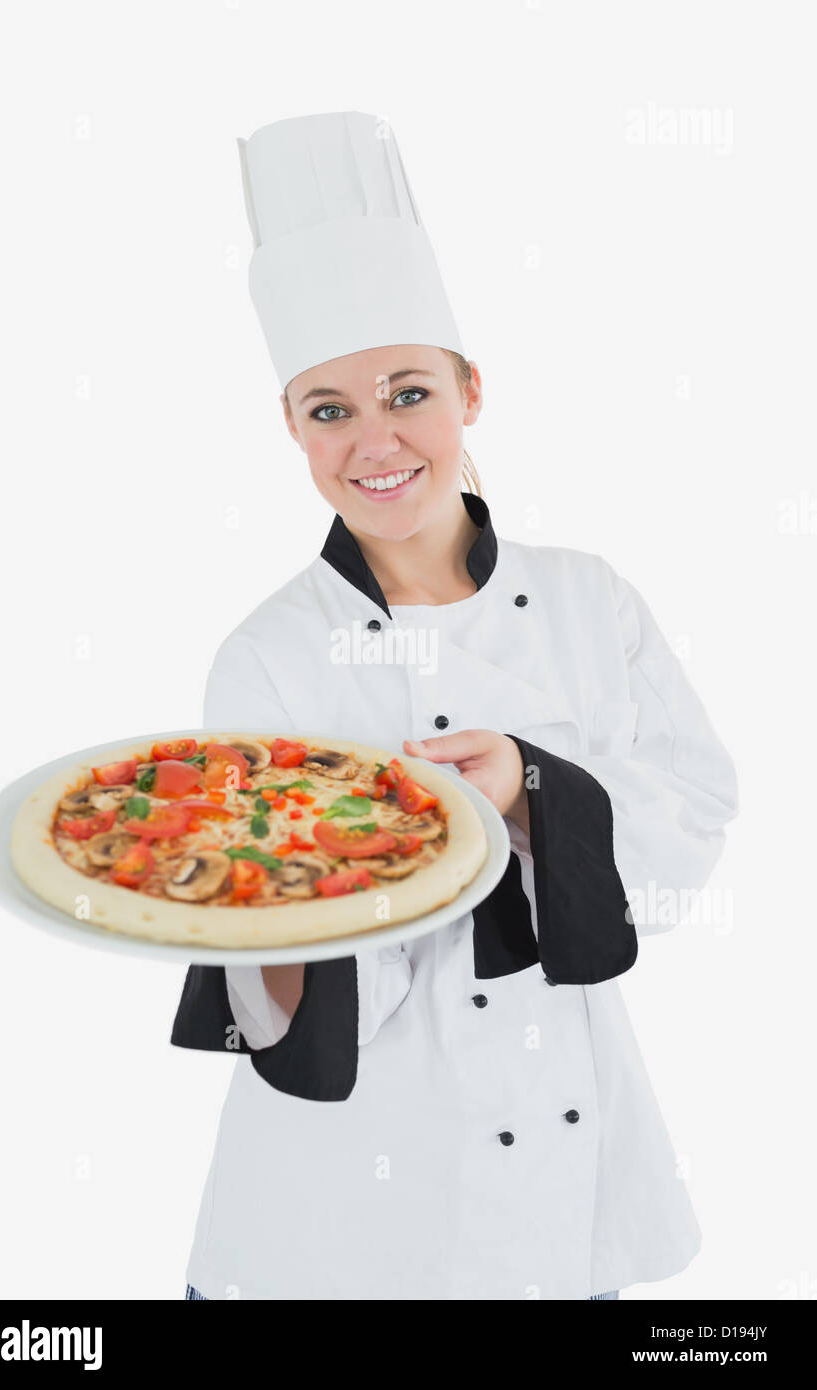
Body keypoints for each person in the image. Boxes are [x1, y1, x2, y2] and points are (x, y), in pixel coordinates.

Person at [171, 111, 738, 1301]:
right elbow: (257, 955)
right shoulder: (266, 657)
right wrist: (289, 885)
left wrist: (529, 790)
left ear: (470, 389)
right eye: (328, 408)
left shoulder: (588, 601)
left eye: (407, 392)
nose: (373, 441)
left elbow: (691, 814)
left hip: (562, 1198)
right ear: (290, 426)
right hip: (330, 1217)